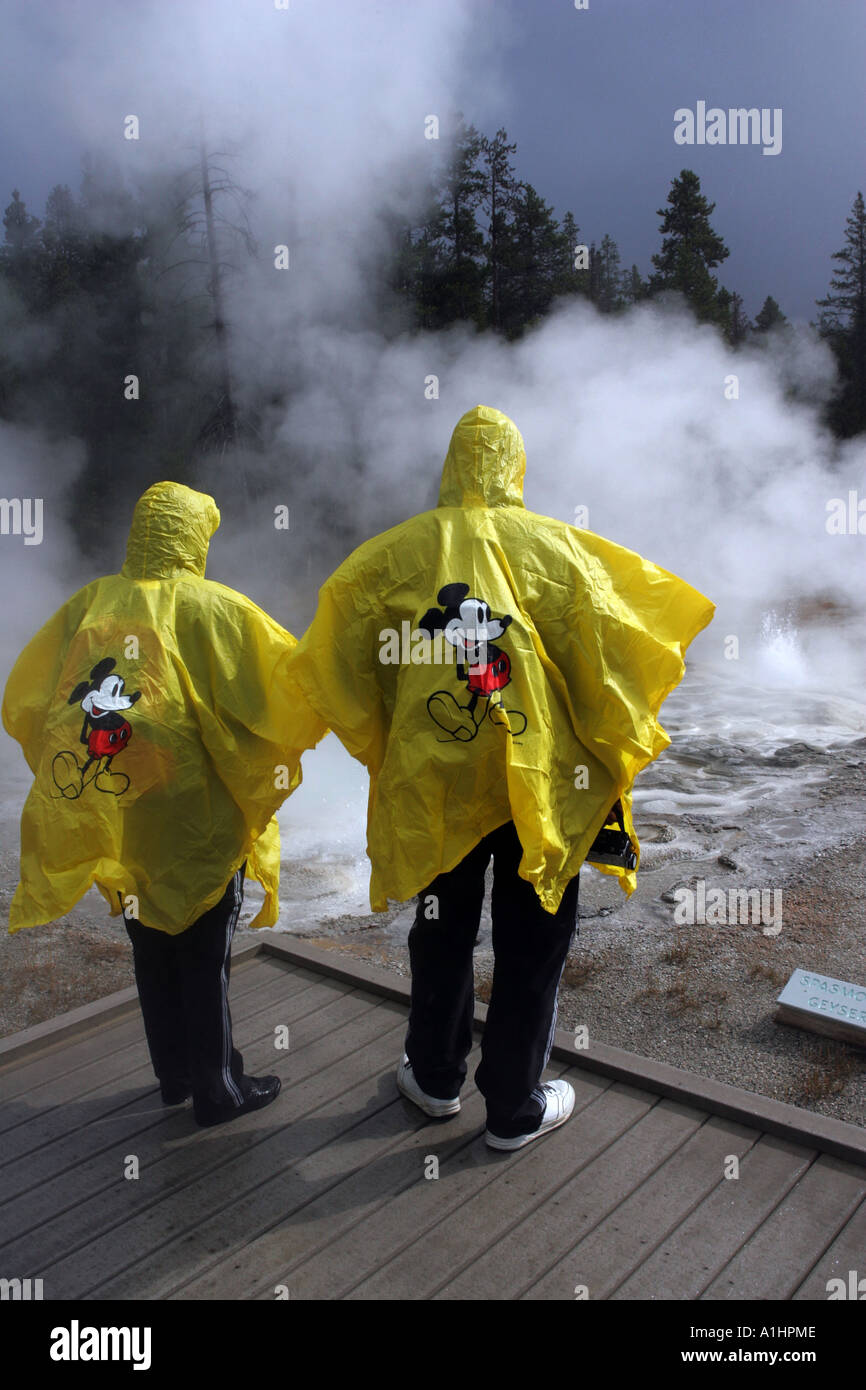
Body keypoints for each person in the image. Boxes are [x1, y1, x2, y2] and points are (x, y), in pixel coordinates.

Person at [282, 404, 715, 1150]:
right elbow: (619, 654)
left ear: (450, 465)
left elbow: (333, 668)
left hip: (436, 788)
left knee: (441, 933)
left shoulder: (389, 557)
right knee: (533, 938)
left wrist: (389, 737)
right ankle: (513, 1105)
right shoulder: (561, 551)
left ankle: (435, 1076)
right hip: (537, 786)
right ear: (515, 467)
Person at [3, 482, 308, 1127]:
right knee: (203, 950)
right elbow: (290, 688)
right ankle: (218, 1087)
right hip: (197, 820)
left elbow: (33, 702)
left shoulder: (89, 605)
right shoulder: (216, 609)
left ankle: (173, 1076)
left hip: (125, 812)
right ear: (194, 536)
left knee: (149, 942)